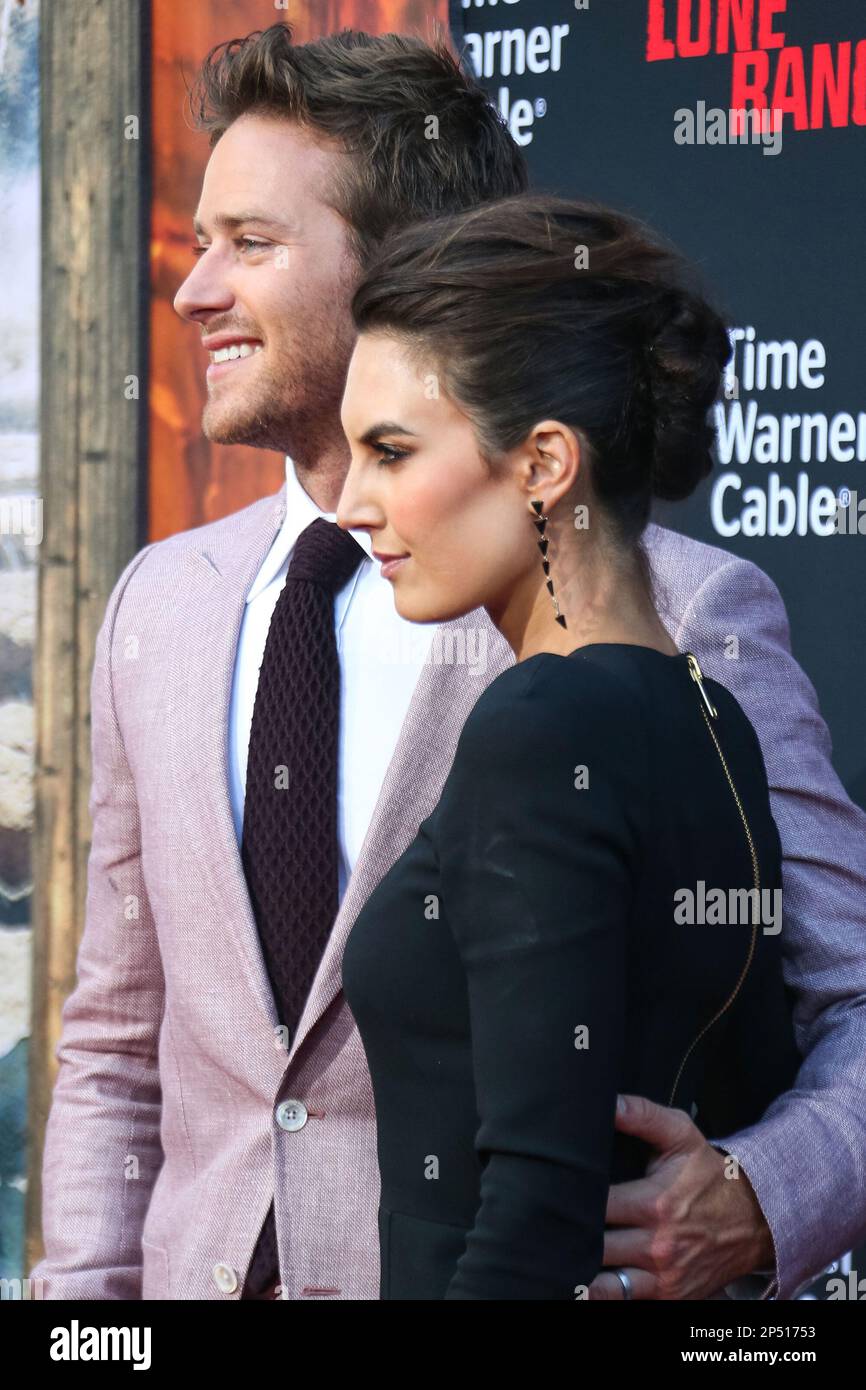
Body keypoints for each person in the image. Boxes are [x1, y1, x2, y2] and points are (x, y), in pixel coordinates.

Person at [31, 25, 866, 1301]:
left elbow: (846, 994)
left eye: (250, 245)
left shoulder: (675, 614)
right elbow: (113, 1045)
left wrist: (760, 1197)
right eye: (199, 244)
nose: (194, 291)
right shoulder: (160, 604)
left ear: (398, 268)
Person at [337, 193, 803, 1299]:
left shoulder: (536, 729)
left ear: (544, 463)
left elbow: (530, 1225)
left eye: (391, 451)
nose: (354, 502)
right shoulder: (707, 716)